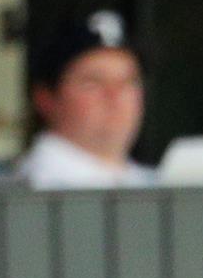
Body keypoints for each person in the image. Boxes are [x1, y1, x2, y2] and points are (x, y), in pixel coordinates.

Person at [13, 11, 156, 189]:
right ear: (45, 98)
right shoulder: (28, 188)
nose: (114, 96)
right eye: (93, 82)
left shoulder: (155, 181)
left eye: (128, 82)